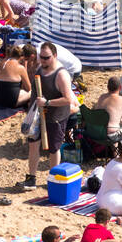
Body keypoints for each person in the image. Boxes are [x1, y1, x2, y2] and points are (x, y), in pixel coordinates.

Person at [23, 42, 77, 190]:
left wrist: (47, 102)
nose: (43, 60)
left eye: (47, 58)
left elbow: (68, 100)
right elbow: (34, 92)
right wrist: (31, 110)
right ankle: (31, 178)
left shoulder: (61, 75)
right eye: (41, 57)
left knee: (54, 149)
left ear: (54, 56)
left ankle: (53, 179)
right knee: (33, 145)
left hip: (56, 117)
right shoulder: (40, 69)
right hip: (37, 115)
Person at [0, 43, 32, 108]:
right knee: (32, 91)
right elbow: (28, 88)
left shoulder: (0, 64)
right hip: (12, 102)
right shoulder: (20, 68)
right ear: (21, 57)